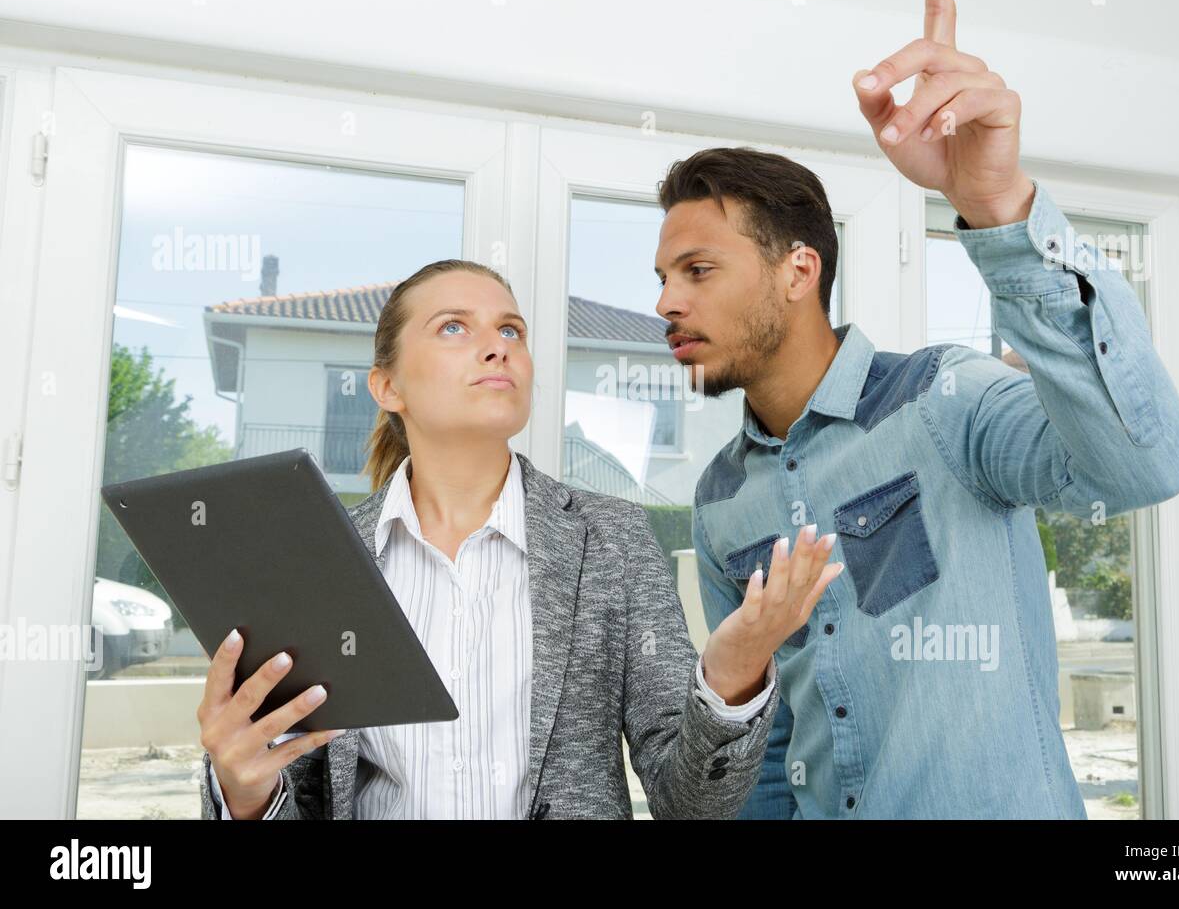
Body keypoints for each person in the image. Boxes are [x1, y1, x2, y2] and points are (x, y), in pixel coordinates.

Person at [659, 0, 1179, 818]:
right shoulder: (720, 501)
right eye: (662, 276)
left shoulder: (946, 400)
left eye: (696, 270)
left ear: (799, 269)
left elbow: (1146, 466)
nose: (665, 303)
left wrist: (1000, 206)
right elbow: (767, 760)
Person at [196, 259, 842, 819]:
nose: (497, 345)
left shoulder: (611, 540)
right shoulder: (318, 563)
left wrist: (730, 678)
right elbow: (298, 794)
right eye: (454, 327)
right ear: (388, 387)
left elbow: (691, 804)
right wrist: (243, 792)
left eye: (511, 330)